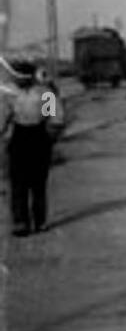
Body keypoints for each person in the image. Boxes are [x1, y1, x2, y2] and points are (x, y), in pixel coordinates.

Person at [2, 60, 55, 236]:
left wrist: (50, 140)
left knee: (38, 182)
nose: (16, 81)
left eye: (19, 77)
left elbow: (53, 119)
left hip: (39, 137)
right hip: (19, 138)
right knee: (18, 183)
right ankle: (21, 222)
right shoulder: (9, 94)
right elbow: (4, 117)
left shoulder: (46, 93)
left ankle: (40, 221)